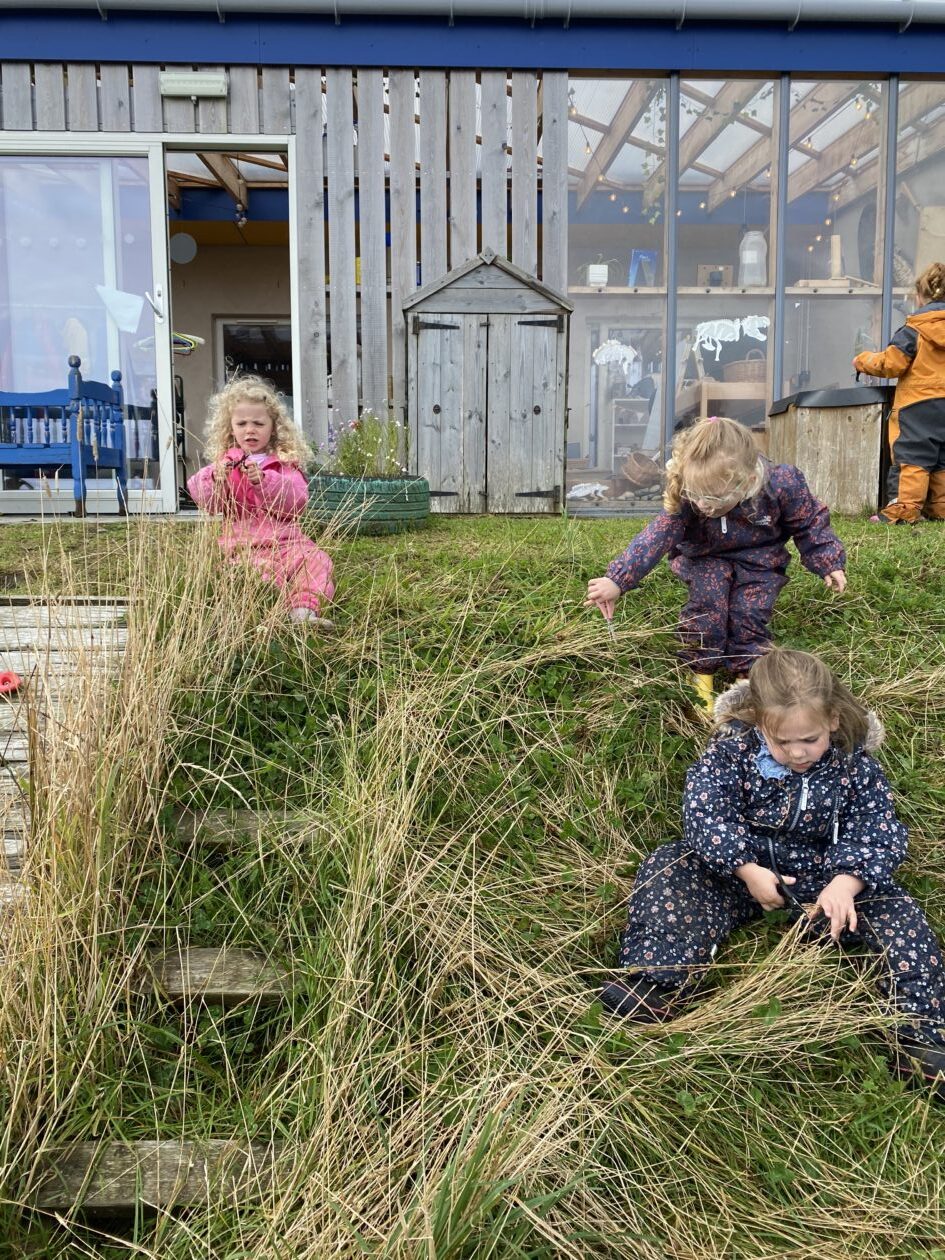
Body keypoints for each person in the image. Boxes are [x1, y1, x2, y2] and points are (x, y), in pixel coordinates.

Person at [599, 647, 945, 1094]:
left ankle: (922, 1040)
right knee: (673, 868)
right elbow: (706, 813)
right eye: (783, 742)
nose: (798, 753)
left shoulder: (855, 766)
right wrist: (744, 867)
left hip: (828, 880)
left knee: (901, 921)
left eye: (811, 739)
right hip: (744, 871)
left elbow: (878, 831)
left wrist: (846, 882)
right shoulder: (732, 752)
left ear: (834, 722)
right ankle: (654, 982)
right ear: (760, 722)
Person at [585, 416, 846, 715]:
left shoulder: (782, 484)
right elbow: (656, 536)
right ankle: (702, 673)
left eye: (712, 498)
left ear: (747, 482)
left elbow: (809, 521)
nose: (704, 505)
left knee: (749, 612)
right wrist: (618, 580)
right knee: (709, 605)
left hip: (759, 559)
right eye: (696, 496)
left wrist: (827, 561)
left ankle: (746, 679)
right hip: (704, 557)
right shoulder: (691, 492)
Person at [188, 375, 335, 627]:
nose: (250, 429)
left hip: (289, 543)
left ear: (273, 427)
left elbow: (297, 501)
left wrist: (265, 481)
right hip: (244, 545)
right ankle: (263, 614)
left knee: (316, 561)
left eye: (258, 423)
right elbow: (204, 499)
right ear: (230, 427)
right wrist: (215, 479)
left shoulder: (284, 463)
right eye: (241, 423)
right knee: (260, 572)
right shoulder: (224, 464)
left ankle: (302, 613)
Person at [853, 260, 945, 524]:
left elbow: (892, 364)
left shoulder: (914, 330)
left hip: (918, 406)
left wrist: (863, 360)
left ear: (920, 296)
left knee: (913, 458)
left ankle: (903, 511)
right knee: (942, 460)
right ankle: (940, 509)